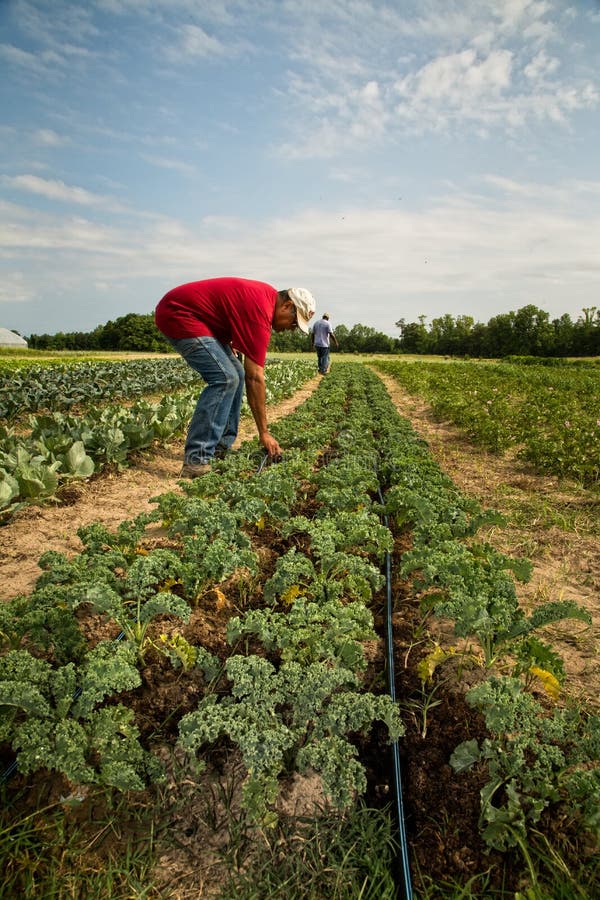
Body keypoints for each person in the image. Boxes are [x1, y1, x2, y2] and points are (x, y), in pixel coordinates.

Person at [155, 277, 315, 478]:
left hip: (203, 321)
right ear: (287, 305)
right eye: (294, 322)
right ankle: (197, 458)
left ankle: (220, 447)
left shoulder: (265, 299)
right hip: (179, 314)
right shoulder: (260, 311)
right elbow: (255, 377)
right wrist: (264, 433)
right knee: (226, 378)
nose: (290, 329)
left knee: (236, 372)